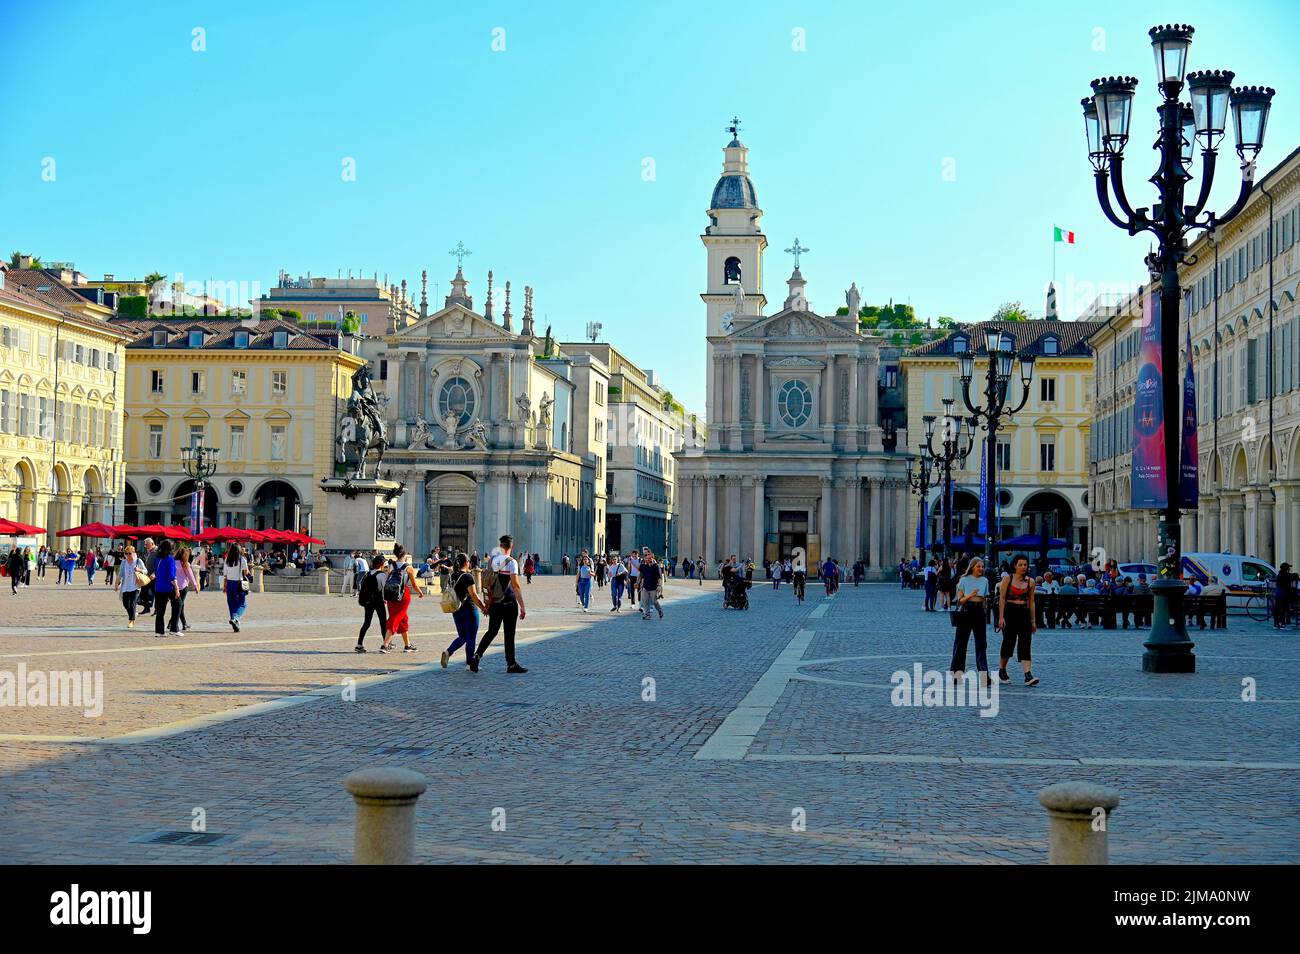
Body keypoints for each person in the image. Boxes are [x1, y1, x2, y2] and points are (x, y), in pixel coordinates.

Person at [471, 534, 528, 674]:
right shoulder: (511, 562)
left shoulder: (492, 561)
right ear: (511, 546)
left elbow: (488, 583)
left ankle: (476, 657)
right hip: (509, 602)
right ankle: (511, 664)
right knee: (509, 634)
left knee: (492, 631)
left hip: (495, 602)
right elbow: (515, 585)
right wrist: (522, 605)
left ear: (500, 546)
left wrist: (488, 603)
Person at [996, 554, 1039, 686]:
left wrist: (1033, 621)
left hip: (1023, 613)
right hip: (1009, 612)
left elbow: (1031, 602)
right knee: (1008, 641)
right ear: (1015, 565)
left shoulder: (1030, 582)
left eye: (1025, 565)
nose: (1023, 567)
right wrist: (1001, 617)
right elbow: (1002, 598)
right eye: (1020, 565)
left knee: (1026, 642)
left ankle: (1027, 674)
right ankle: (1002, 670)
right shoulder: (1007, 579)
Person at [950, 556, 992, 688]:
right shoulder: (963, 580)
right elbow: (960, 600)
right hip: (966, 610)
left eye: (982, 566)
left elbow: (985, 599)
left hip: (979, 612)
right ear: (972, 567)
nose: (981, 568)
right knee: (961, 644)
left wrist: (985, 610)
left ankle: (984, 675)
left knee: (981, 644)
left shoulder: (985, 581)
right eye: (978, 566)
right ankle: (957, 675)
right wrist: (971, 594)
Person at [441, 552, 487, 667]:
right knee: (471, 637)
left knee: (463, 637)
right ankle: (470, 664)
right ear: (467, 563)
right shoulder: (468, 576)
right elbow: (474, 595)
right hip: (469, 610)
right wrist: (483, 608)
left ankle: (448, 652)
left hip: (456, 610)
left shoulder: (453, 576)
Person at [380, 543, 424, 654]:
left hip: (390, 595)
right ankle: (385, 645)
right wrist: (420, 592)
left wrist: (384, 595)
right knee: (395, 619)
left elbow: (386, 581)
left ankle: (407, 645)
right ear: (404, 555)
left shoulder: (390, 565)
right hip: (403, 595)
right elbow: (414, 585)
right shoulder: (409, 568)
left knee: (402, 619)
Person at [354, 555, 388, 652]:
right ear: (381, 564)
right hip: (378, 601)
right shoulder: (381, 575)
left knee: (366, 623)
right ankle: (386, 643)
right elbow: (385, 588)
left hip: (368, 601)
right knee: (383, 623)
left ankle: (359, 644)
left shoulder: (368, 574)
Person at [150, 539, 182, 638]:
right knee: (178, 604)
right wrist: (177, 588)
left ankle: (159, 631)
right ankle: (174, 628)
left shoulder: (157, 559)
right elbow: (172, 576)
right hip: (169, 587)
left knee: (160, 610)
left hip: (159, 587)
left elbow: (156, 571)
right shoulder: (170, 559)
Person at [116, 544, 146, 628]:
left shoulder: (138, 561)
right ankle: (132, 615)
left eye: (130, 553)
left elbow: (146, 571)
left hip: (135, 586)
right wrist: (116, 584)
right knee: (125, 604)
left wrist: (139, 569)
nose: (128, 555)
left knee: (132, 603)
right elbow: (120, 574)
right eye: (126, 553)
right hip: (125, 586)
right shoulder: (124, 562)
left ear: (134, 553)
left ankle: (131, 620)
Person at [223, 544, 250, 632]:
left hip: (229, 583)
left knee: (232, 604)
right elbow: (245, 573)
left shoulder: (227, 559)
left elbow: (225, 575)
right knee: (242, 604)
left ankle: (235, 624)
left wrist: (224, 586)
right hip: (238, 584)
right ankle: (235, 618)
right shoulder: (242, 559)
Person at [174, 546, 199, 632]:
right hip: (183, 587)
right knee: (180, 605)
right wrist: (195, 585)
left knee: (178, 605)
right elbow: (190, 576)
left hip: (174, 586)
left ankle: (183, 623)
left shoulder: (173, 562)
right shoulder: (185, 563)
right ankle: (176, 623)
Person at [639, 548, 664, 620]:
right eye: (645, 556)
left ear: (651, 557)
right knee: (645, 600)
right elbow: (641, 575)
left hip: (653, 587)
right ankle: (647, 614)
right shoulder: (643, 565)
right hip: (645, 586)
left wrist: (659, 586)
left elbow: (659, 577)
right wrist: (638, 583)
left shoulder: (656, 566)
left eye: (648, 556)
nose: (646, 557)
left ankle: (660, 610)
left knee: (654, 601)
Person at [1274, 562, 1296, 629]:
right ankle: (1283, 623)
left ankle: (1276, 623)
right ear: (1286, 568)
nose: (1289, 568)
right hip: (1284, 594)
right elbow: (1295, 576)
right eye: (1288, 567)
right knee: (1284, 609)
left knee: (1277, 609)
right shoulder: (1287, 575)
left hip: (1278, 593)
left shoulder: (1279, 575)